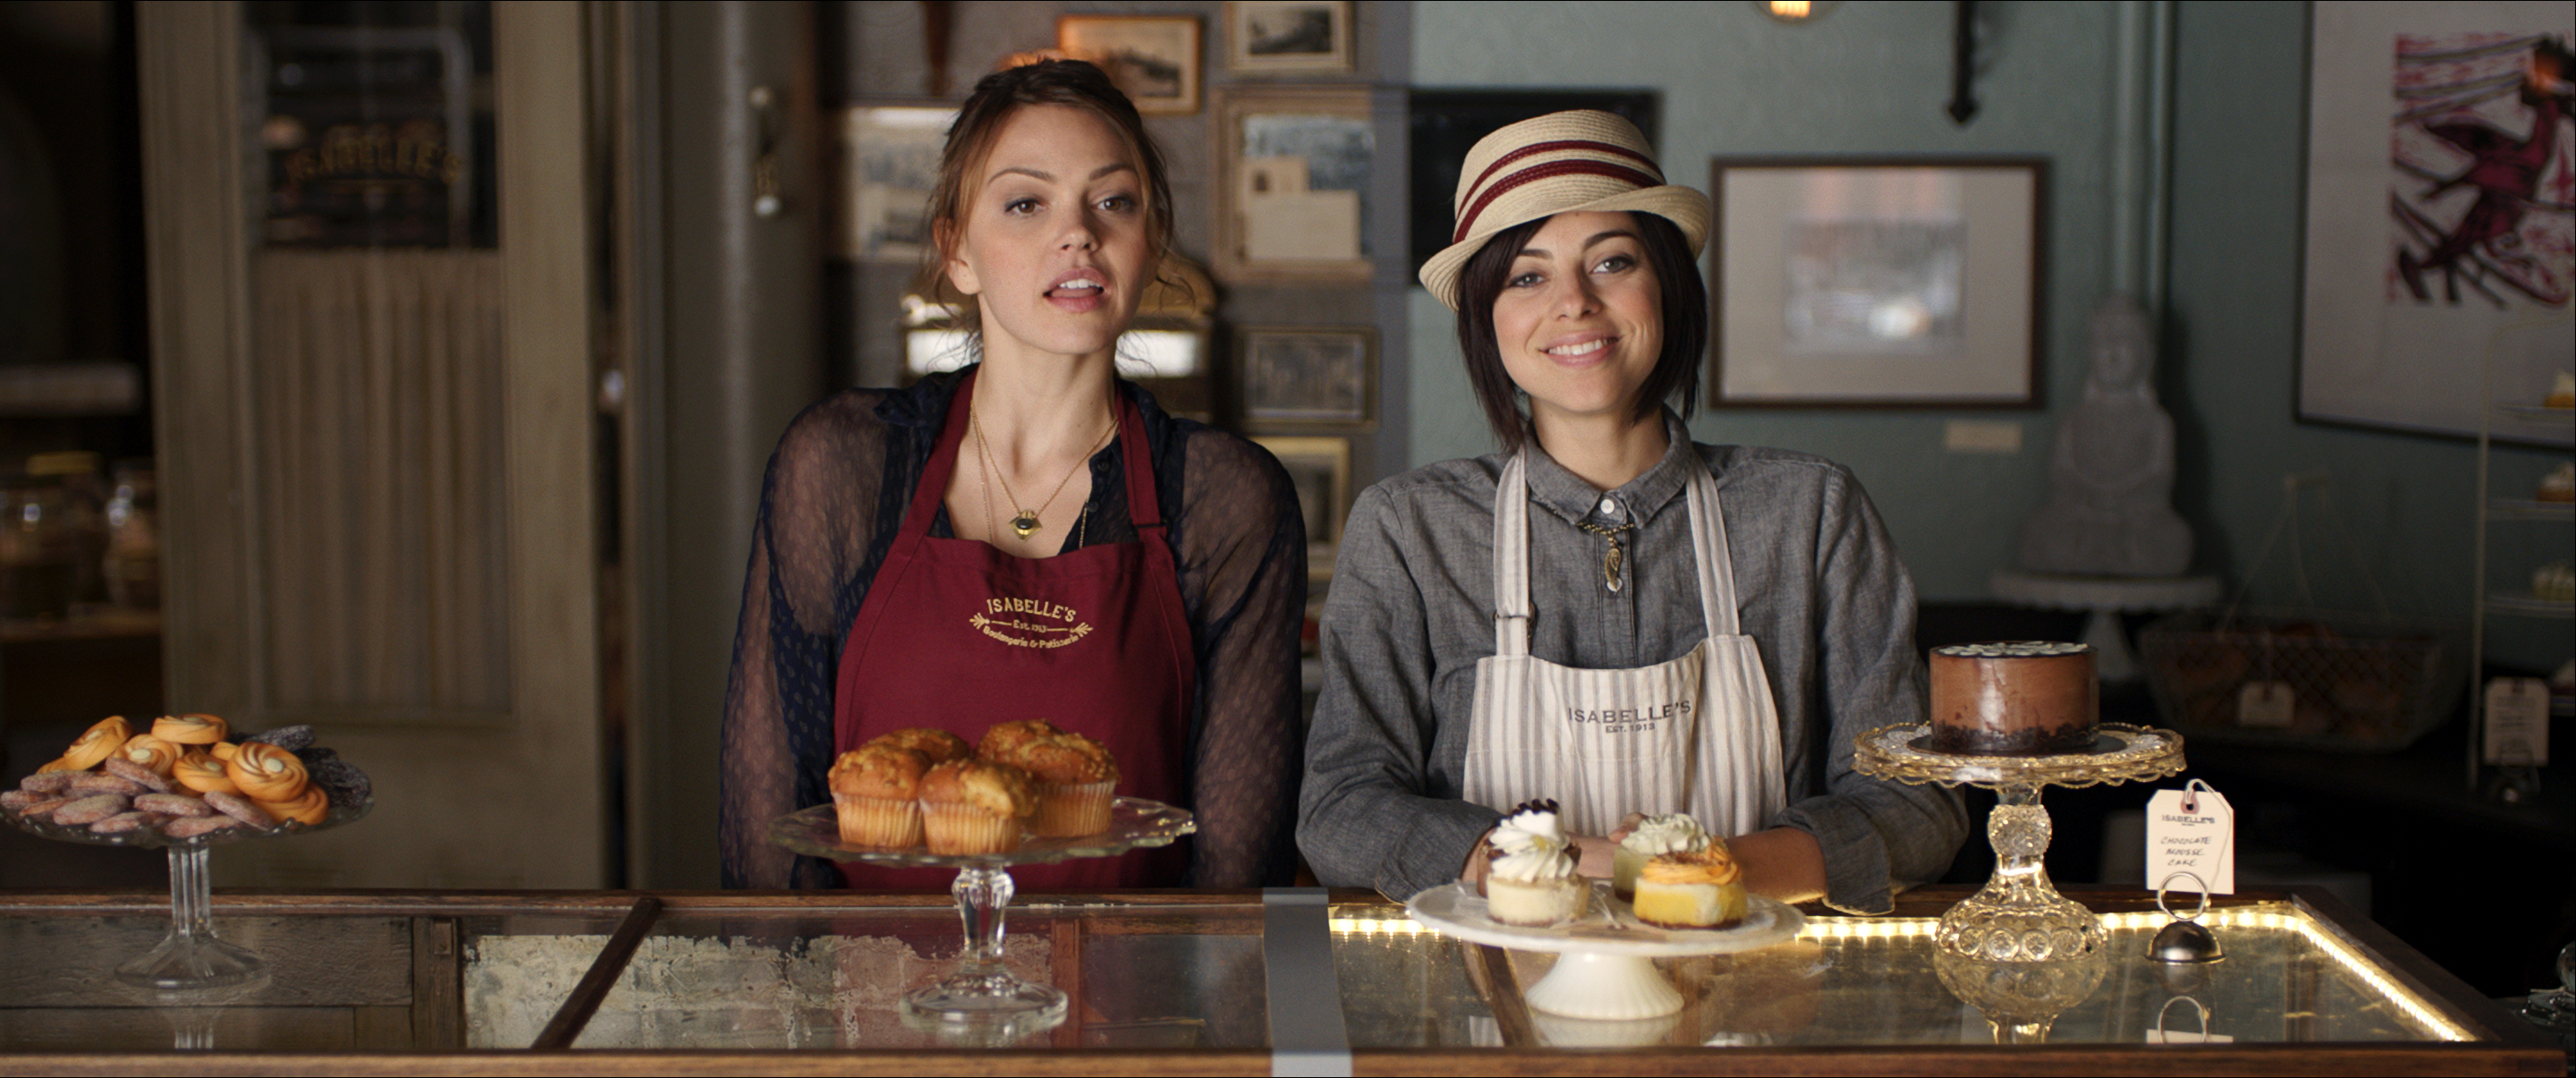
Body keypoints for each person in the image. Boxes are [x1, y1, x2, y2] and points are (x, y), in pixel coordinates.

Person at [1297, 112, 1965, 912]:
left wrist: (1701, 872)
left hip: (1759, 1006)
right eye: (1527, 276)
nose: (1574, 302)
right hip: (1487, 1005)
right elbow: (1341, 809)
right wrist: (1593, 859)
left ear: (1669, 287)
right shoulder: (1411, 529)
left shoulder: (1812, 512)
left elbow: (1918, 807)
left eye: (1611, 261)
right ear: (1488, 320)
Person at [721, 60, 1306, 891]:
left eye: (1114, 201)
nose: (1079, 233)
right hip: (874, 998)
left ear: (1151, 246)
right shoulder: (842, 465)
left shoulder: (1226, 499)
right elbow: (766, 822)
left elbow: (1238, 866)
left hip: (1127, 1007)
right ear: (956, 250)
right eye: (1026, 202)